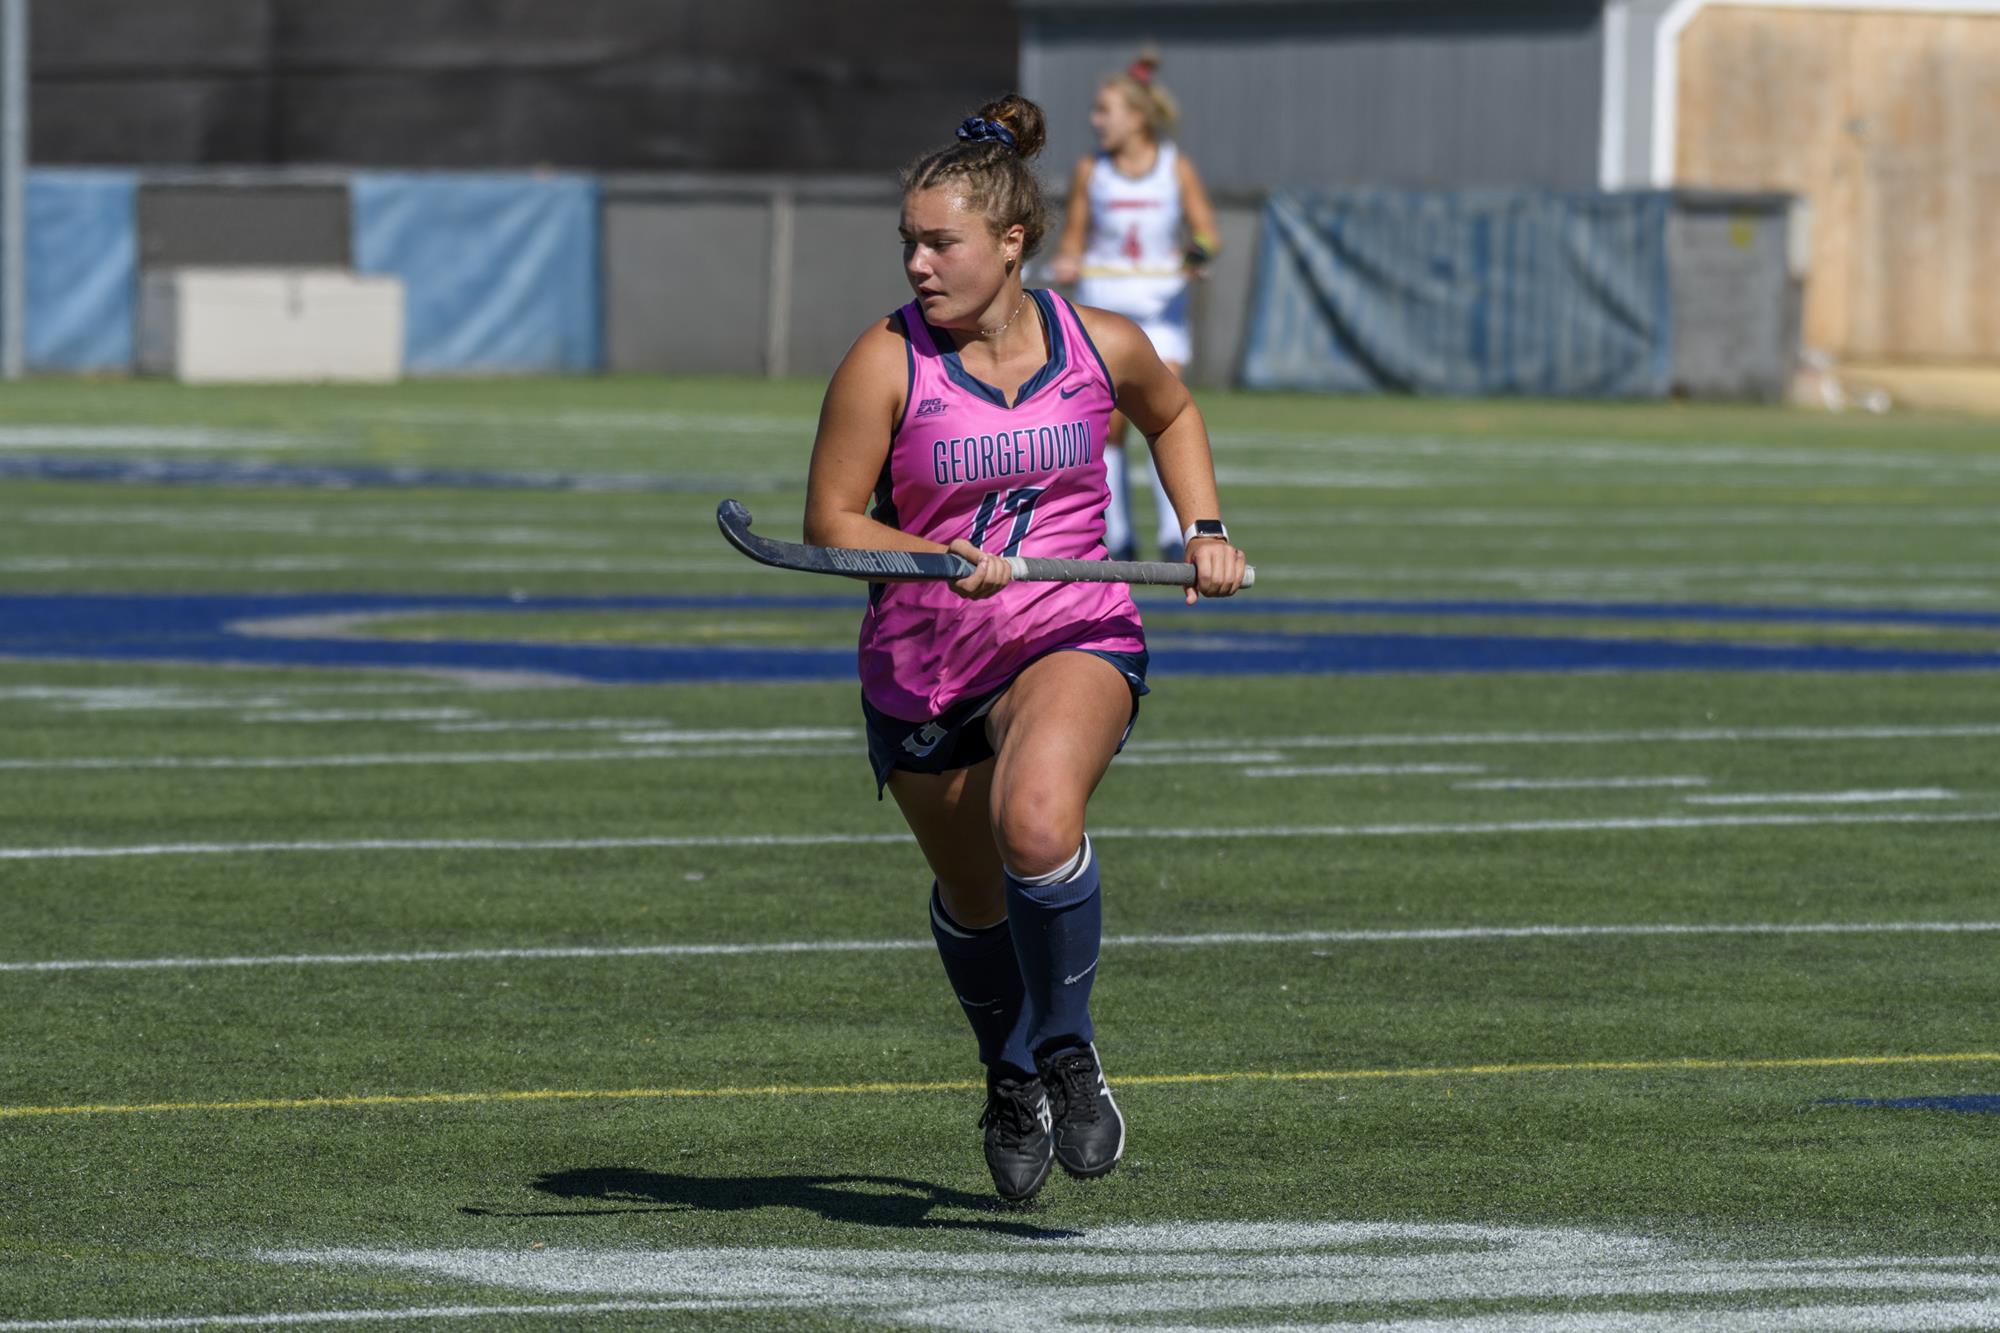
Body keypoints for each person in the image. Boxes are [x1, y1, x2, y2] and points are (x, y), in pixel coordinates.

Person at [802, 92, 1246, 1203]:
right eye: (907, 240)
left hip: (1069, 627)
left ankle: (1067, 1051)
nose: (916, 262)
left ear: (1011, 242)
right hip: (924, 663)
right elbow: (832, 524)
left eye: (939, 241)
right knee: (975, 896)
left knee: (1037, 820)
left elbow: (1171, 413)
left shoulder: (1098, 343)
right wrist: (933, 554)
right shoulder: (883, 362)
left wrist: (1203, 530)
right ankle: (1009, 1069)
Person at [1049, 50, 1222, 564]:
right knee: (1109, 427)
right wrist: (1067, 260)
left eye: (1105, 111)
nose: (1095, 121)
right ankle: (1117, 534)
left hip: (1159, 311)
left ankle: (1178, 534)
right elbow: (1074, 241)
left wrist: (1196, 255)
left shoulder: (1175, 167)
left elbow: (1206, 234)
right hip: (1105, 313)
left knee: (1164, 413)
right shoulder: (1090, 171)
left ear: (1139, 116)